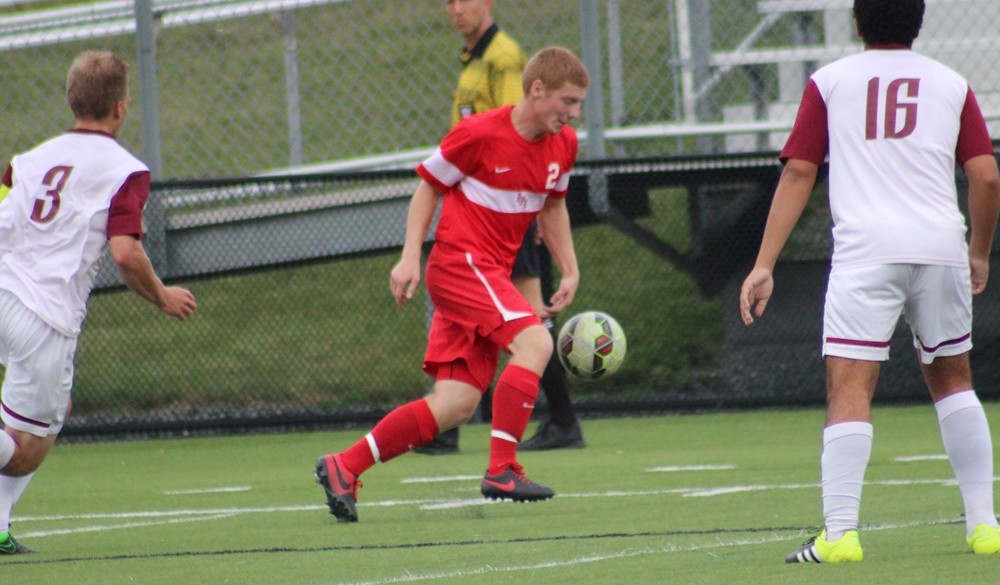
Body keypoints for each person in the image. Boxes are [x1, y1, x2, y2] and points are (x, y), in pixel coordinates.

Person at [739, 0, 1000, 563]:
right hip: (940, 250)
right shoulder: (952, 83)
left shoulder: (830, 82)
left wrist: (764, 264)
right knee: (955, 381)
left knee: (850, 386)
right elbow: (986, 177)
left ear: (856, 23)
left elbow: (800, 171)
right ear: (920, 22)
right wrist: (978, 252)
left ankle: (840, 535)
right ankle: (985, 527)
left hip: (866, 254)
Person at [314, 47, 589, 523]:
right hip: (461, 265)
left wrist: (569, 268)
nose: (574, 113)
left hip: (488, 274)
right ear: (537, 89)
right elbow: (428, 186)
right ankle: (503, 469)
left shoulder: (563, 144)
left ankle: (345, 466)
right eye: (568, 101)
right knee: (535, 343)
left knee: (456, 404)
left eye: (579, 104)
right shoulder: (480, 133)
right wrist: (409, 257)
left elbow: (553, 205)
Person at [0, 51, 198, 554]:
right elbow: (126, 254)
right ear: (121, 108)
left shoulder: (27, 160)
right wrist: (162, 296)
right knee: (24, 451)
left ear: (72, 100)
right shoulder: (125, 171)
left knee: (57, 407)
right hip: (41, 317)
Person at [418, 0, 585, 455]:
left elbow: (522, 126)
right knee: (514, 321)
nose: (457, 9)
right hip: (484, 208)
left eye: (466, 0)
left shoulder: (504, 57)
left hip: (505, 208)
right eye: (449, 2)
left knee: (531, 324)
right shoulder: (474, 58)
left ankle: (558, 422)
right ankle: (456, 418)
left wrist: (528, 199)